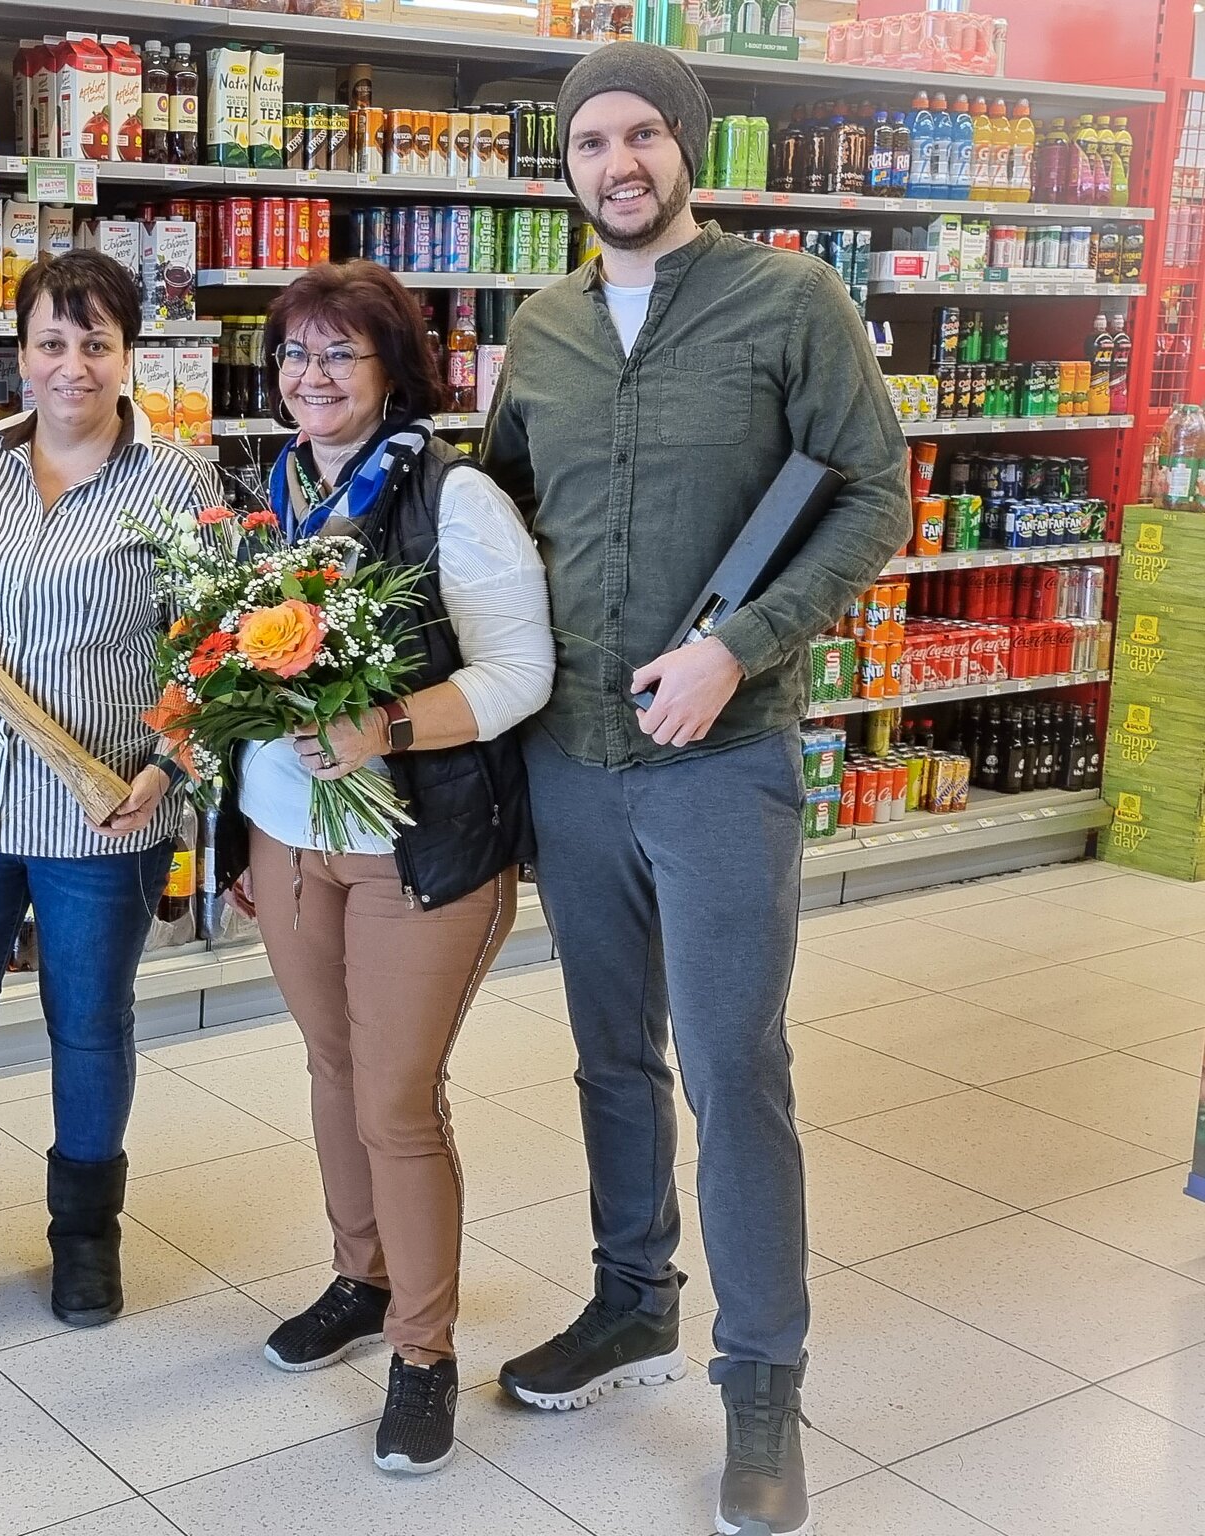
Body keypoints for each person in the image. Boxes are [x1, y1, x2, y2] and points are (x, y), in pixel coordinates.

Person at [480, 43, 909, 1536]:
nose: (619, 162)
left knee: (734, 1070)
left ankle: (763, 1379)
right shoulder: (535, 329)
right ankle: (631, 1297)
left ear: (688, 147)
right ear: (567, 163)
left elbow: (875, 495)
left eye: (643, 133)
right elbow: (499, 523)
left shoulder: (790, 300)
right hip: (573, 759)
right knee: (612, 1055)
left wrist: (740, 644)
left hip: (723, 757)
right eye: (591, 139)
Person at [217, 261, 555, 1475]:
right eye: (293, 356)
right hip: (287, 839)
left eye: (337, 355)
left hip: (416, 851)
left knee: (395, 1101)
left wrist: (386, 727)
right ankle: (358, 1281)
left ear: (394, 369)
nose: (309, 378)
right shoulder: (269, 488)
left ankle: (423, 1350)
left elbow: (521, 673)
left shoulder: (449, 498)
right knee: (328, 1066)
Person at [0, 250, 221, 1337]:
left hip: (98, 810)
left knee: (89, 1026)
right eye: (50, 343)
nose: (70, 366)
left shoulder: (178, 482)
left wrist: (163, 772)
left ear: (128, 356)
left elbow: (208, 656)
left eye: (94, 343)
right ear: (19, 353)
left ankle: (85, 1235)